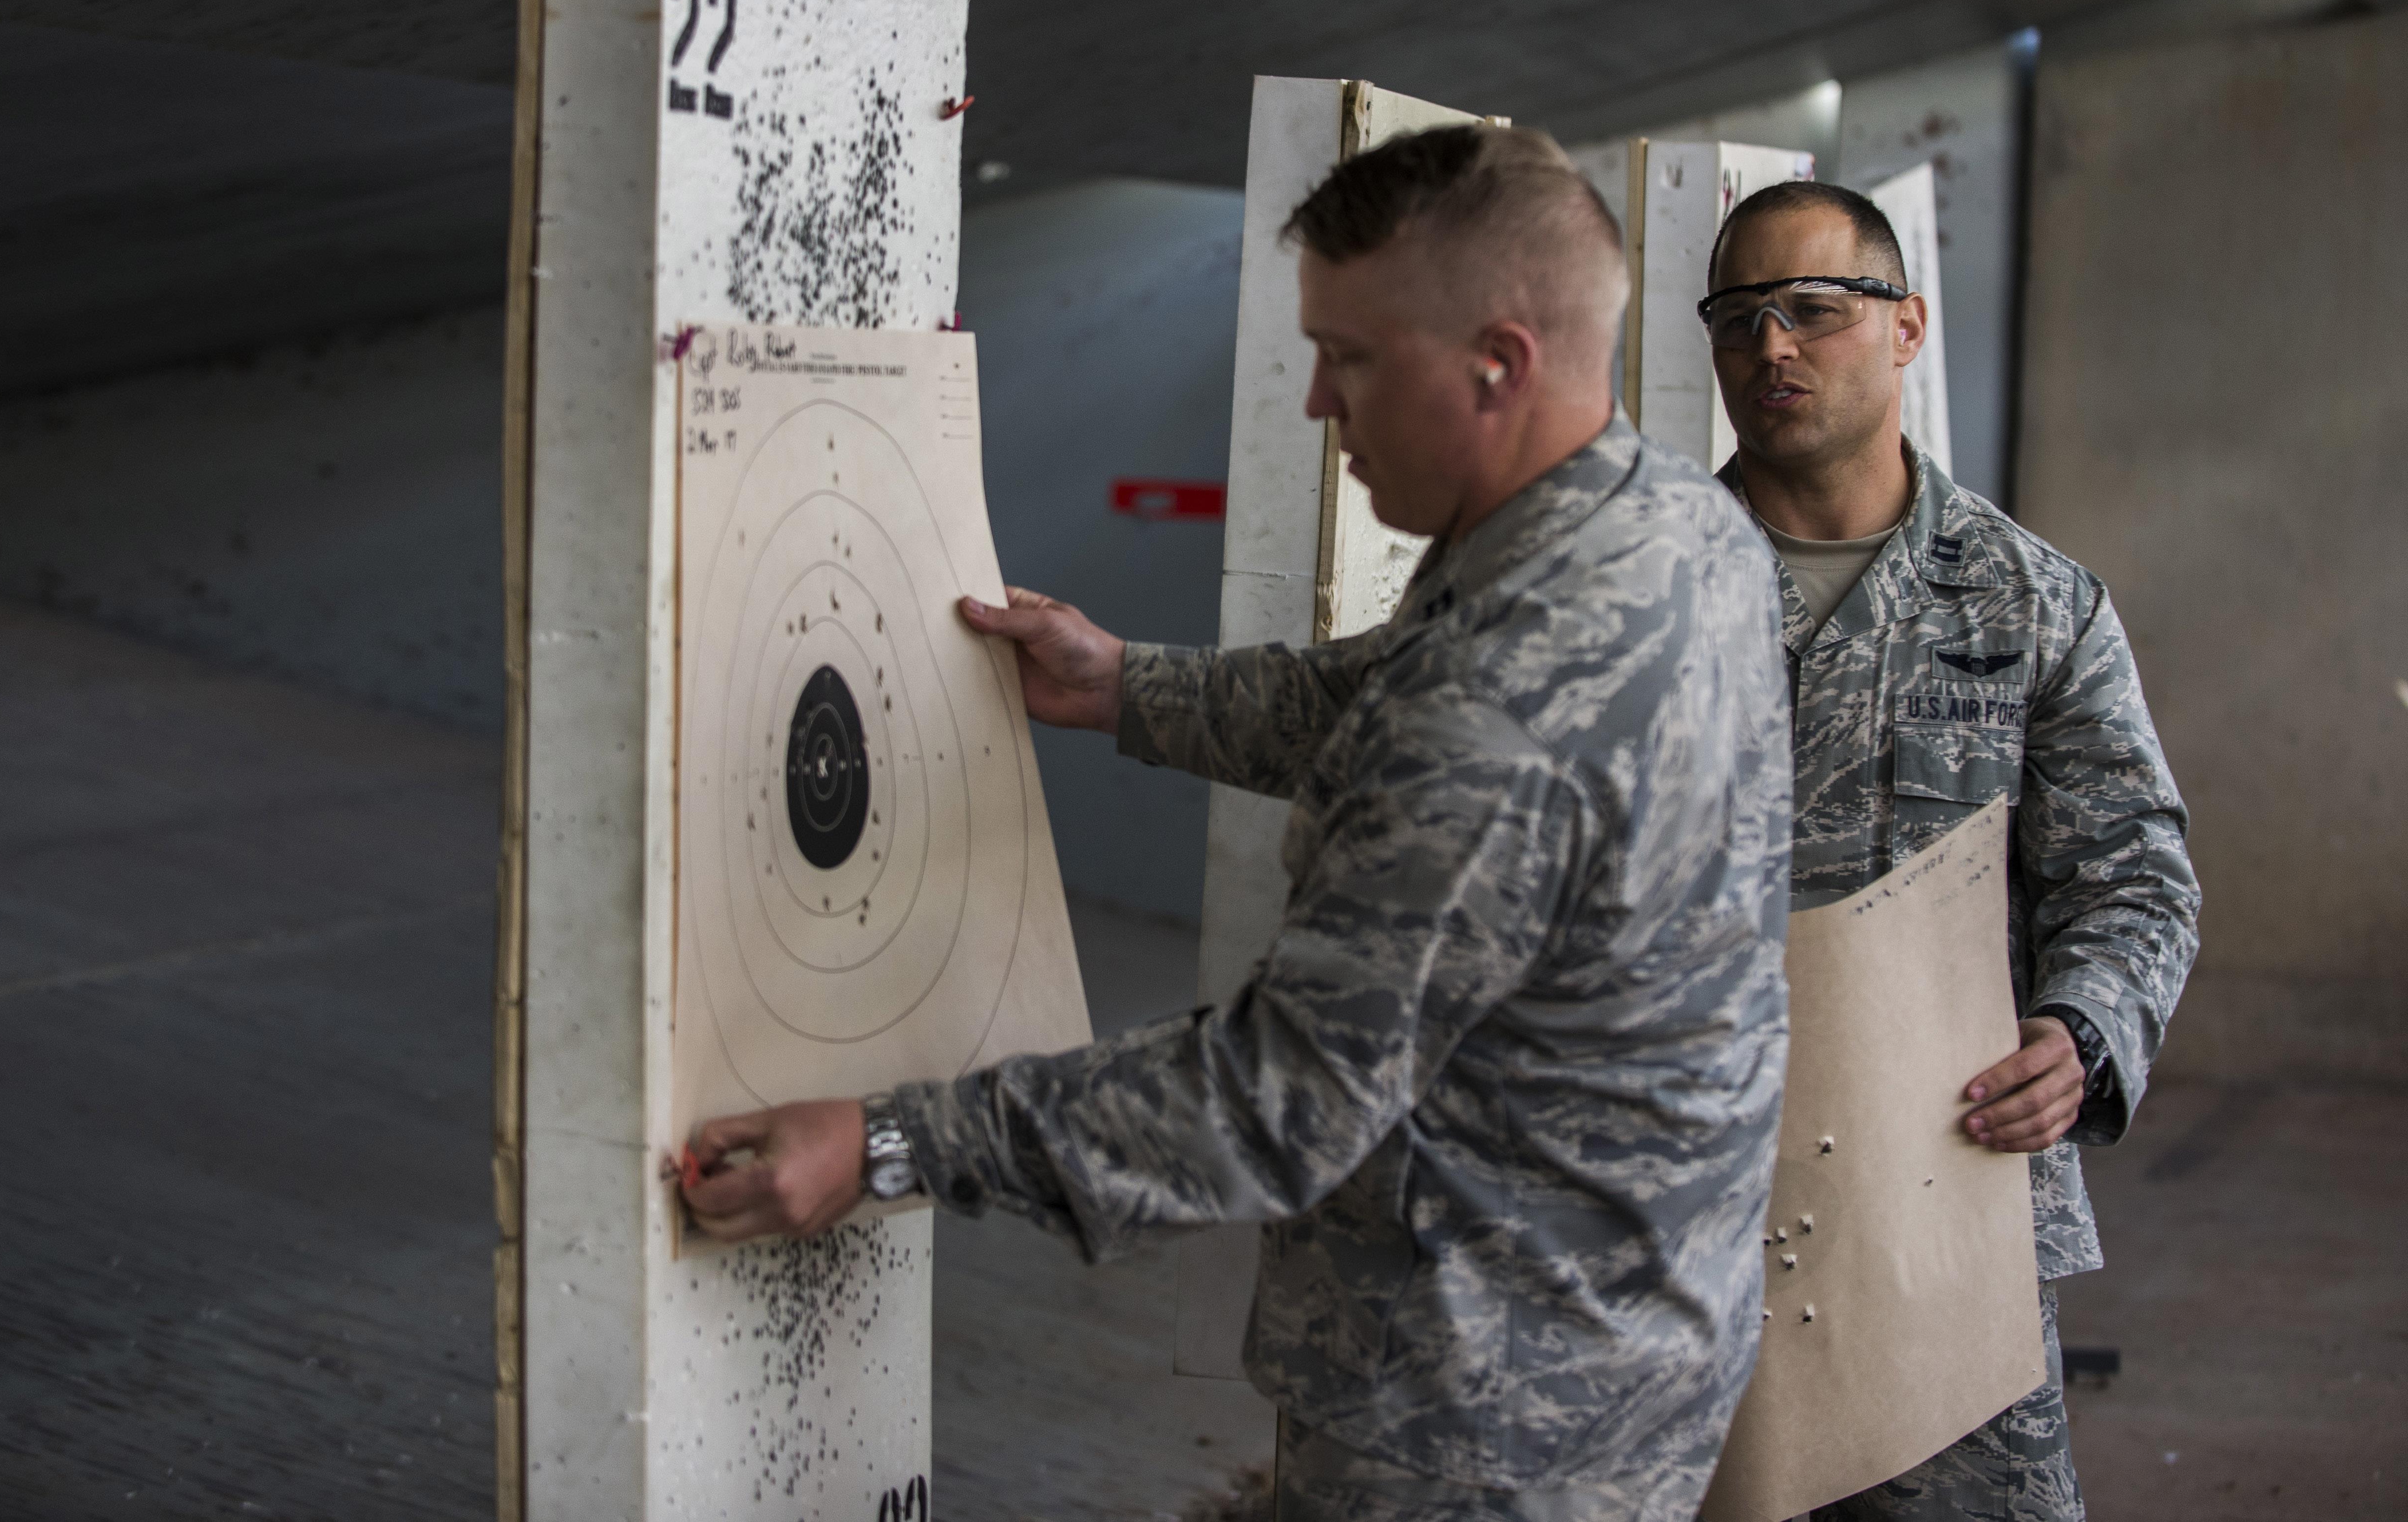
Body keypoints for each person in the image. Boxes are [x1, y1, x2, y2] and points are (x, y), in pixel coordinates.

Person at [674, 125, 1796, 1520]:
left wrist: (883, 1141)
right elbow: (1389, 690)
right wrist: (1127, 687)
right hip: (1631, 1331)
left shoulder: (1502, 708)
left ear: (1497, 362)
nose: (1318, 400)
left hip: (1482, 1420)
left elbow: (1274, 1099)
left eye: (1354, 355)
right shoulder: (1673, 524)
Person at [1701, 180, 2201, 1520]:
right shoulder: (1637, 589)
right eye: (1739, 317)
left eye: (1813, 308)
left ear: (1906, 325)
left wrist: (2082, 1029)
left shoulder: (2028, 601)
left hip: (1942, 1212)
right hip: (1675, 1215)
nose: (1772, 348)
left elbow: (2130, 871)